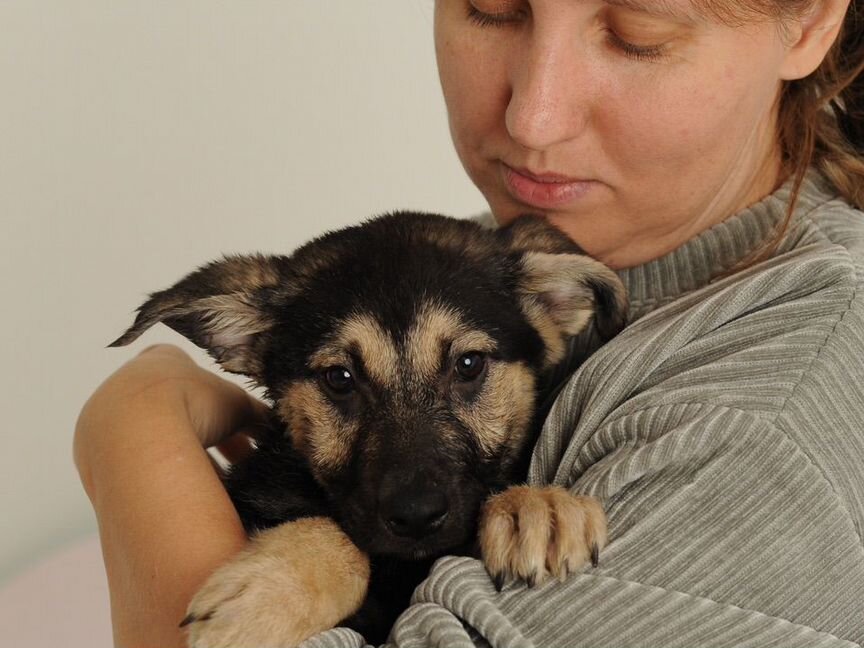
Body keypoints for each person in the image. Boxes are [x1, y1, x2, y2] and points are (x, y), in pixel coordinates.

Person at [74, 1, 864, 646]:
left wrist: (134, 445)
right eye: (491, 8)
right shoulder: (489, 264)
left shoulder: (767, 421)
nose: (533, 116)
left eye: (637, 34)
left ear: (811, 20)